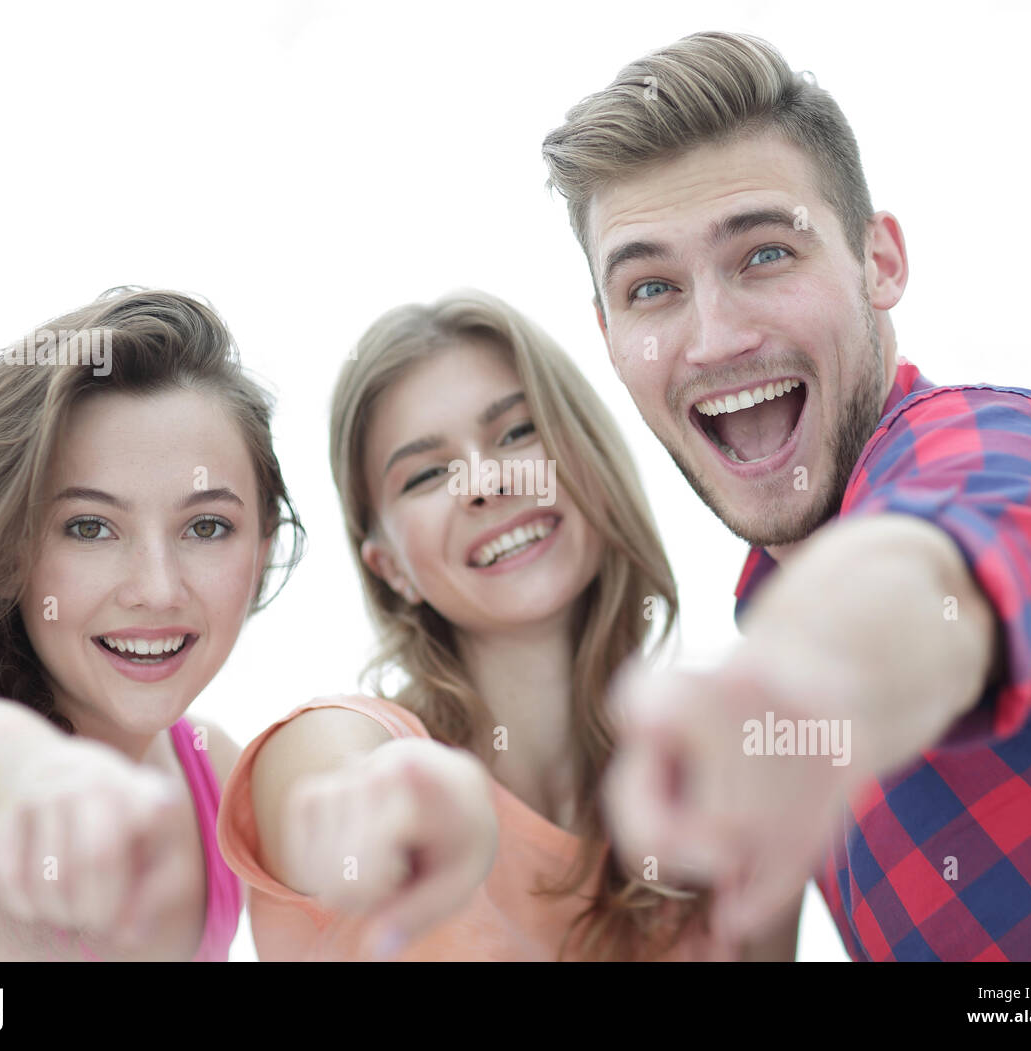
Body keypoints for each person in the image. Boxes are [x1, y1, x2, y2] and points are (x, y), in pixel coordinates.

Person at [541, 30, 1031, 961]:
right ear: (609, 336)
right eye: (652, 287)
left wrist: (799, 682)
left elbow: (935, 559)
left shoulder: (1002, 445)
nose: (714, 338)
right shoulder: (764, 622)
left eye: (764, 255)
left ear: (881, 263)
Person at [217, 289, 796, 960]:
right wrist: (391, 805)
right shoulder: (334, 740)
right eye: (427, 473)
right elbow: (337, 785)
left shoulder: (716, 796)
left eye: (517, 432)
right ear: (390, 567)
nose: (483, 482)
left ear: (588, 465)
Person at [0, 288, 303, 961]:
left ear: (261, 547)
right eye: (90, 527)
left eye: (207, 526)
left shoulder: (215, 774)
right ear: (9, 552)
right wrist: (30, 777)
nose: (157, 588)